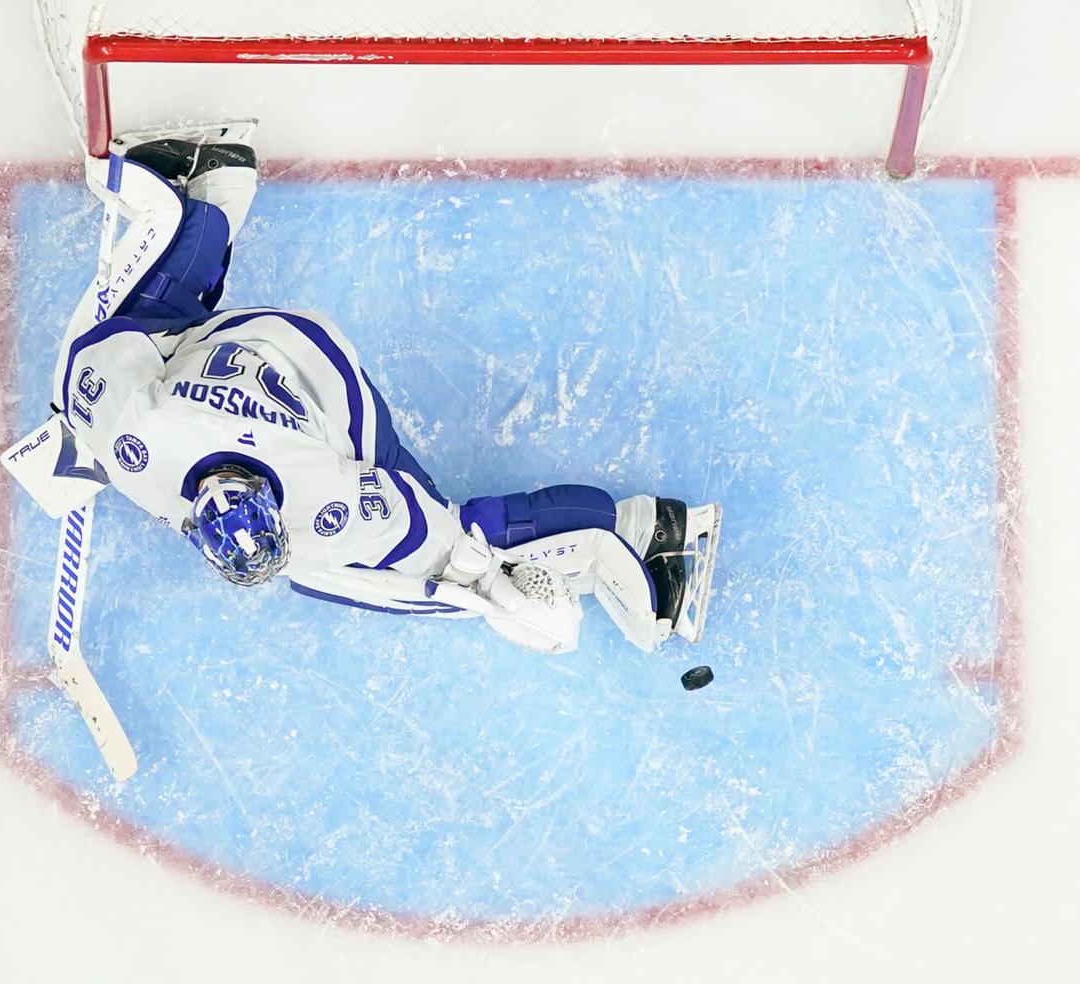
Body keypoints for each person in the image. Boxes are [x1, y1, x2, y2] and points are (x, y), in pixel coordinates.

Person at [38, 121, 720, 654]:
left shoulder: (328, 498)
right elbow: (105, 342)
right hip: (237, 366)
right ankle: (215, 190)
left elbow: (431, 538)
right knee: (156, 327)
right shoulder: (136, 439)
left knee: (455, 538)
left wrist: (477, 585)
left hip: (317, 367)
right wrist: (81, 430)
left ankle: (650, 531)